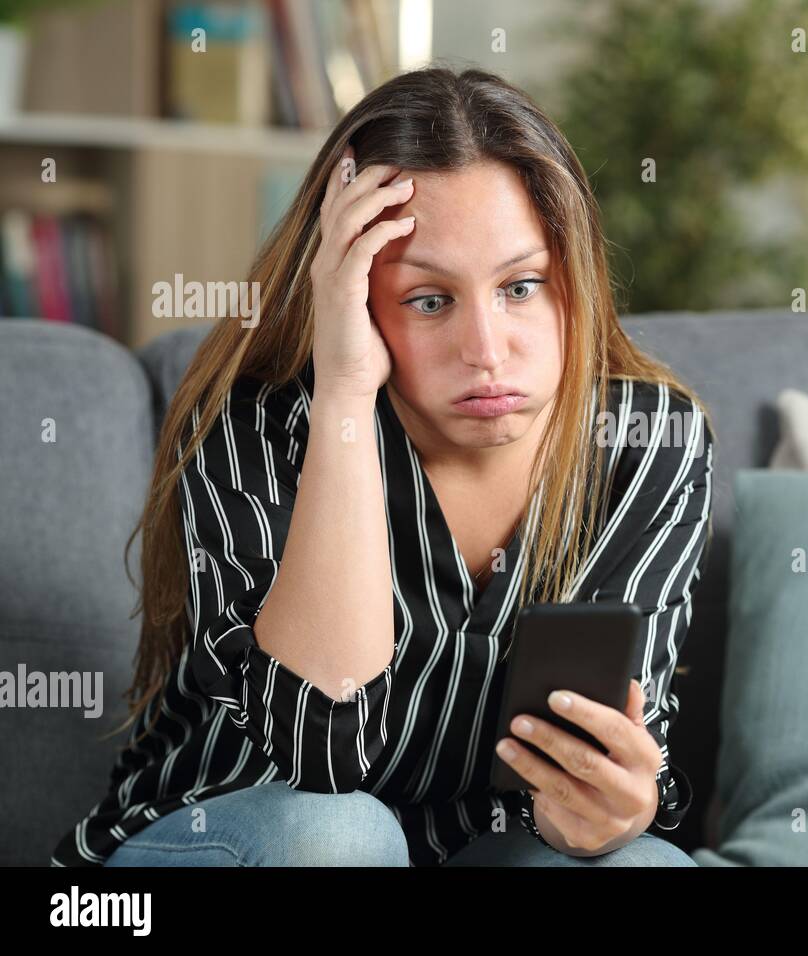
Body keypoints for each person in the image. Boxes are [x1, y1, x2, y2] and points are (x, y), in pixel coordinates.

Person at [51, 64, 715, 867]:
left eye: (521, 286)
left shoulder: (649, 441)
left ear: (572, 283)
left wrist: (618, 802)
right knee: (339, 837)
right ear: (351, 297)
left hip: (477, 849)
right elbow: (318, 753)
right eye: (428, 300)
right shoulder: (256, 425)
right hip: (233, 835)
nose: (486, 350)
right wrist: (343, 399)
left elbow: (630, 743)